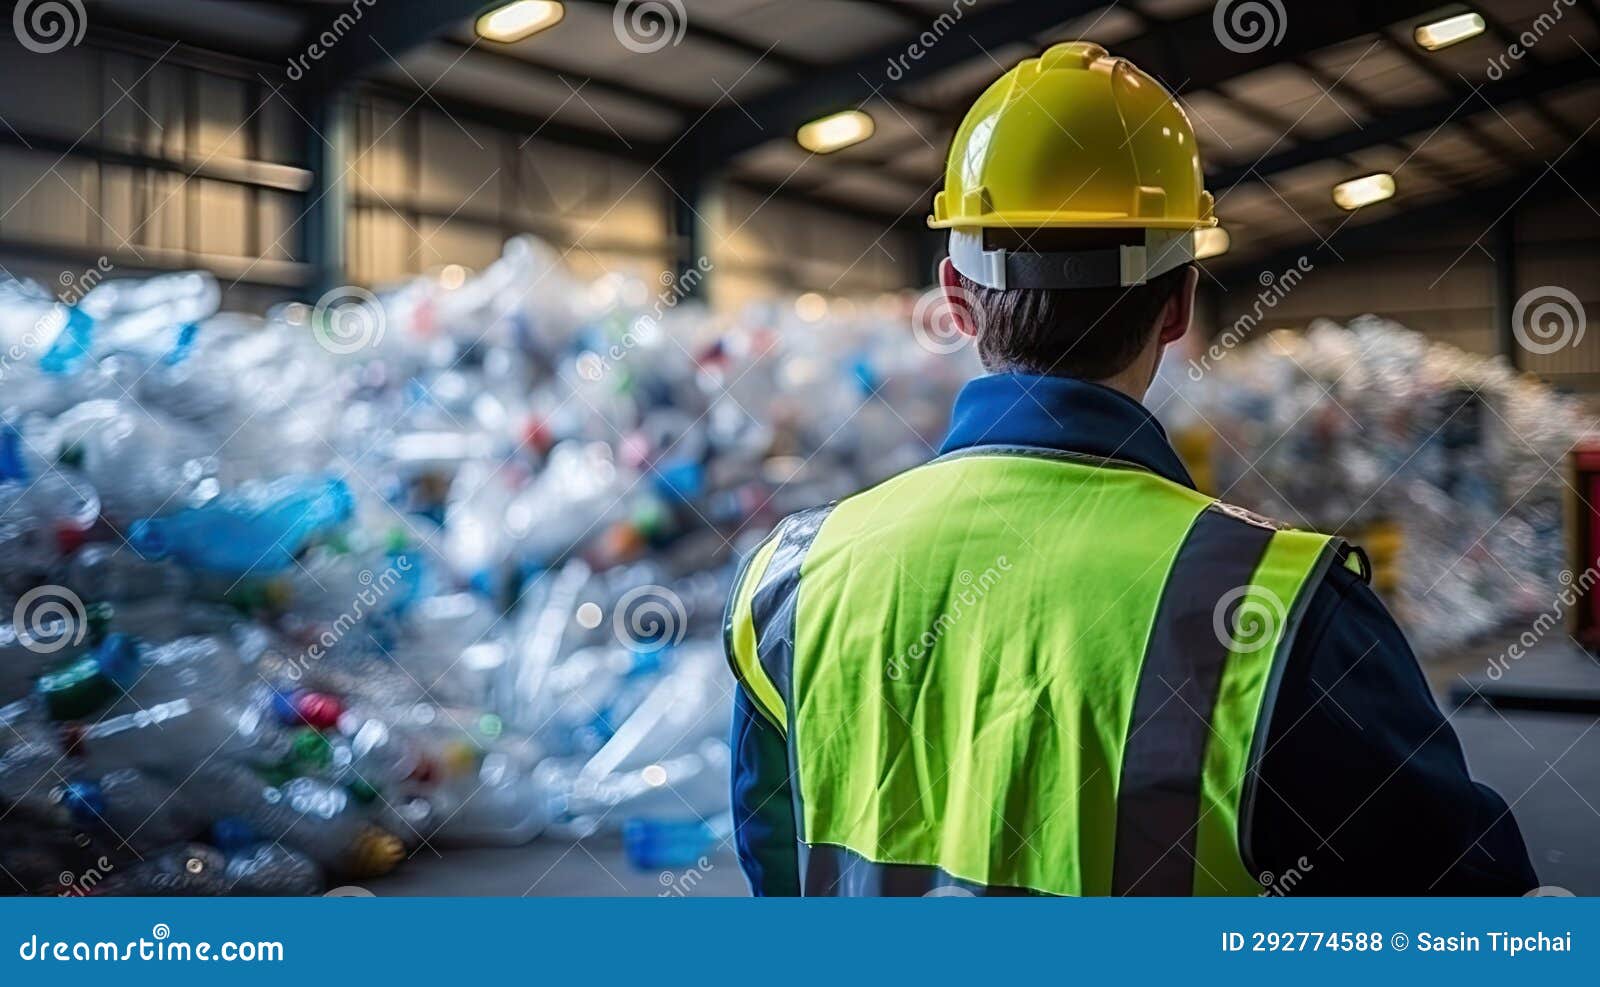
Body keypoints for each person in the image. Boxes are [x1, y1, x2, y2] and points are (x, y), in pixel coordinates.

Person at [723, 42, 1535, 896]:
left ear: (955, 298)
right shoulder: (1283, 612)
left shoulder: (791, 582)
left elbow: (776, 876)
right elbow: (1468, 913)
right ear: (1178, 304)